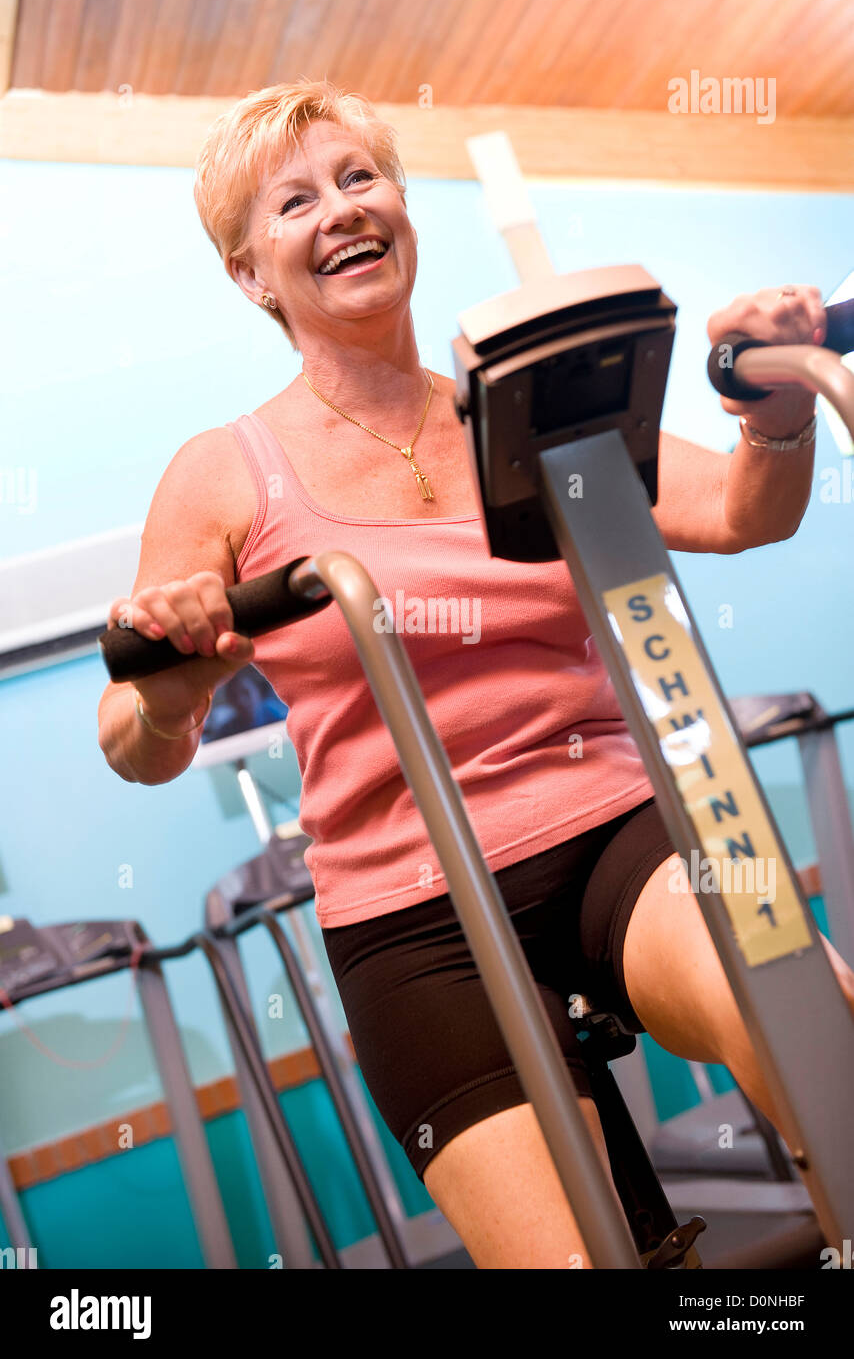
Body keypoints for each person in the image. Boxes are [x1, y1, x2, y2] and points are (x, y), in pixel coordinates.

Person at [98, 79, 854, 1269]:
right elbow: (132, 742)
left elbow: (745, 511)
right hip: (408, 919)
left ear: (402, 208)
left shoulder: (528, 402)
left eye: (359, 179)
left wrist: (767, 404)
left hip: (616, 829)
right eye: (292, 201)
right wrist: (175, 690)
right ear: (251, 273)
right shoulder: (222, 474)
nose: (339, 209)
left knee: (811, 1019)